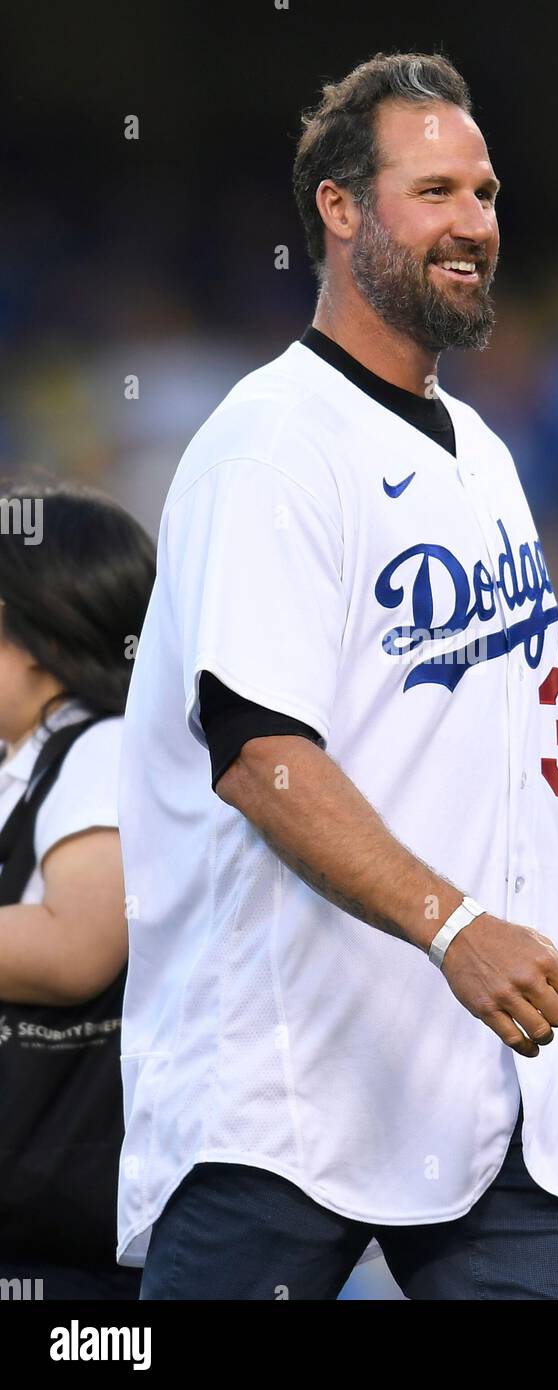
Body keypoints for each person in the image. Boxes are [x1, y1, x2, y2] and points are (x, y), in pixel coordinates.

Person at [118, 50, 558, 1301]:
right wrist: (454, 927)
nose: (474, 225)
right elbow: (256, 750)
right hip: (294, 1078)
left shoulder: (486, 456)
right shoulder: (271, 446)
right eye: (435, 191)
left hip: (505, 1084)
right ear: (340, 211)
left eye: (488, 192)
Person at [0, 478, 155, 1299]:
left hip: (72, 1246)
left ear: (34, 638)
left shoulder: (103, 747)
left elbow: (77, 946)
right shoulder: (32, 764)